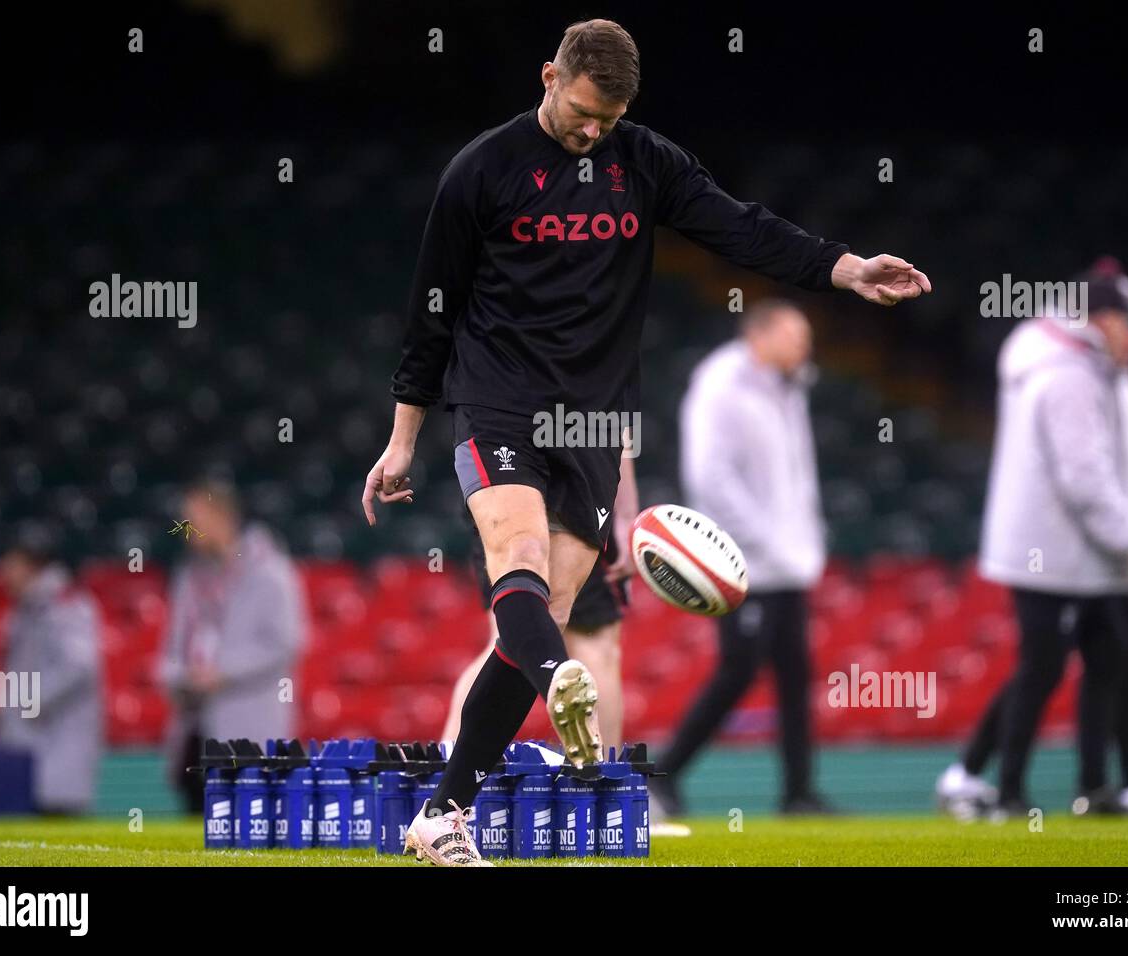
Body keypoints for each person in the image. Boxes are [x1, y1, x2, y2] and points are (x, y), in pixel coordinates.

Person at [363, 18, 929, 865]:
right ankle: (559, 680)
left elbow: (745, 227)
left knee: (548, 611)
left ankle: (442, 813)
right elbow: (430, 312)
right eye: (585, 111)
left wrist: (846, 268)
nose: (595, 131)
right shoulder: (480, 170)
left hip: (595, 420)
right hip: (497, 400)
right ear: (549, 74)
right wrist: (404, 437)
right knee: (516, 559)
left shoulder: (646, 163)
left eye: (611, 118)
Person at [936, 260, 1128, 819]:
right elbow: (1083, 474)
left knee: (1105, 658)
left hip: (1081, 550)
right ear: (1105, 321)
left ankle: (1090, 789)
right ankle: (994, 786)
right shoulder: (1069, 374)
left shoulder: (1093, 367)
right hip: (1054, 550)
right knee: (1043, 665)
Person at [650, 300, 832, 818]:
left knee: (795, 674)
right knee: (738, 671)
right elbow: (711, 477)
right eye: (796, 335)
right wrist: (757, 541)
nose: (805, 346)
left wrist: (800, 541)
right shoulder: (722, 385)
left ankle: (799, 793)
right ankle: (665, 777)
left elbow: (794, 475)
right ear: (760, 335)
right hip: (743, 562)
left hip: (788, 561)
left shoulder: (787, 385)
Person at [443, 455, 637, 752]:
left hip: (498, 477)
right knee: (595, 645)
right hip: (576, 474)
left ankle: (449, 769)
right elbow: (613, 420)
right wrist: (624, 516)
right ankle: (603, 782)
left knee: (505, 637)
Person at [160, 479, 306, 812]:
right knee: (196, 819)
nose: (186, 530)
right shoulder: (190, 576)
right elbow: (171, 647)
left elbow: (286, 642)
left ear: (221, 517)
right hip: (195, 721)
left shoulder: (271, 571)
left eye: (192, 521)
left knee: (246, 820)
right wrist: (178, 676)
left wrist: (223, 673)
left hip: (248, 721)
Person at [0, 526, 103, 815]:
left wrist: (32, 702)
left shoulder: (65, 603)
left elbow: (79, 666)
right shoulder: (28, 607)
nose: (6, 572)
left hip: (57, 745)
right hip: (29, 747)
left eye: (12, 563)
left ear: (33, 565)